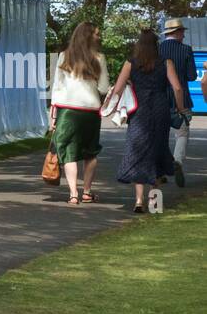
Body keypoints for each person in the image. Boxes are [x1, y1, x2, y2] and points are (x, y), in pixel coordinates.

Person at [109, 28, 191, 212]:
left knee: (138, 151)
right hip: (160, 108)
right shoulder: (166, 62)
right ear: (156, 45)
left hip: (139, 110)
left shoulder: (130, 64)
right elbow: (177, 88)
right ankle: (155, 202)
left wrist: (115, 106)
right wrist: (179, 107)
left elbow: (117, 89)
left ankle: (139, 201)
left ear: (138, 45)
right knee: (158, 150)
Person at [48, 21, 108, 206]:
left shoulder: (64, 56)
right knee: (90, 153)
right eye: (97, 34)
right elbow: (103, 87)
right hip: (90, 110)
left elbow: (57, 86)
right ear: (89, 36)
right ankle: (87, 192)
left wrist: (53, 114)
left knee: (69, 153)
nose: (99, 37)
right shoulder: (99, 58)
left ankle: (73, 194)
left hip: (67, 110)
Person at [159, 18, 199, 187]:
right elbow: (192, 76)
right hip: (181, 97)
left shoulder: (157, 50)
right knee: (182, 133)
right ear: (176, 33)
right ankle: (177, 161)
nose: (184, 35)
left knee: (159, 135)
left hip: (159, 98)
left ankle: (159, 170)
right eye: (182, 32)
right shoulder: (186, 50)